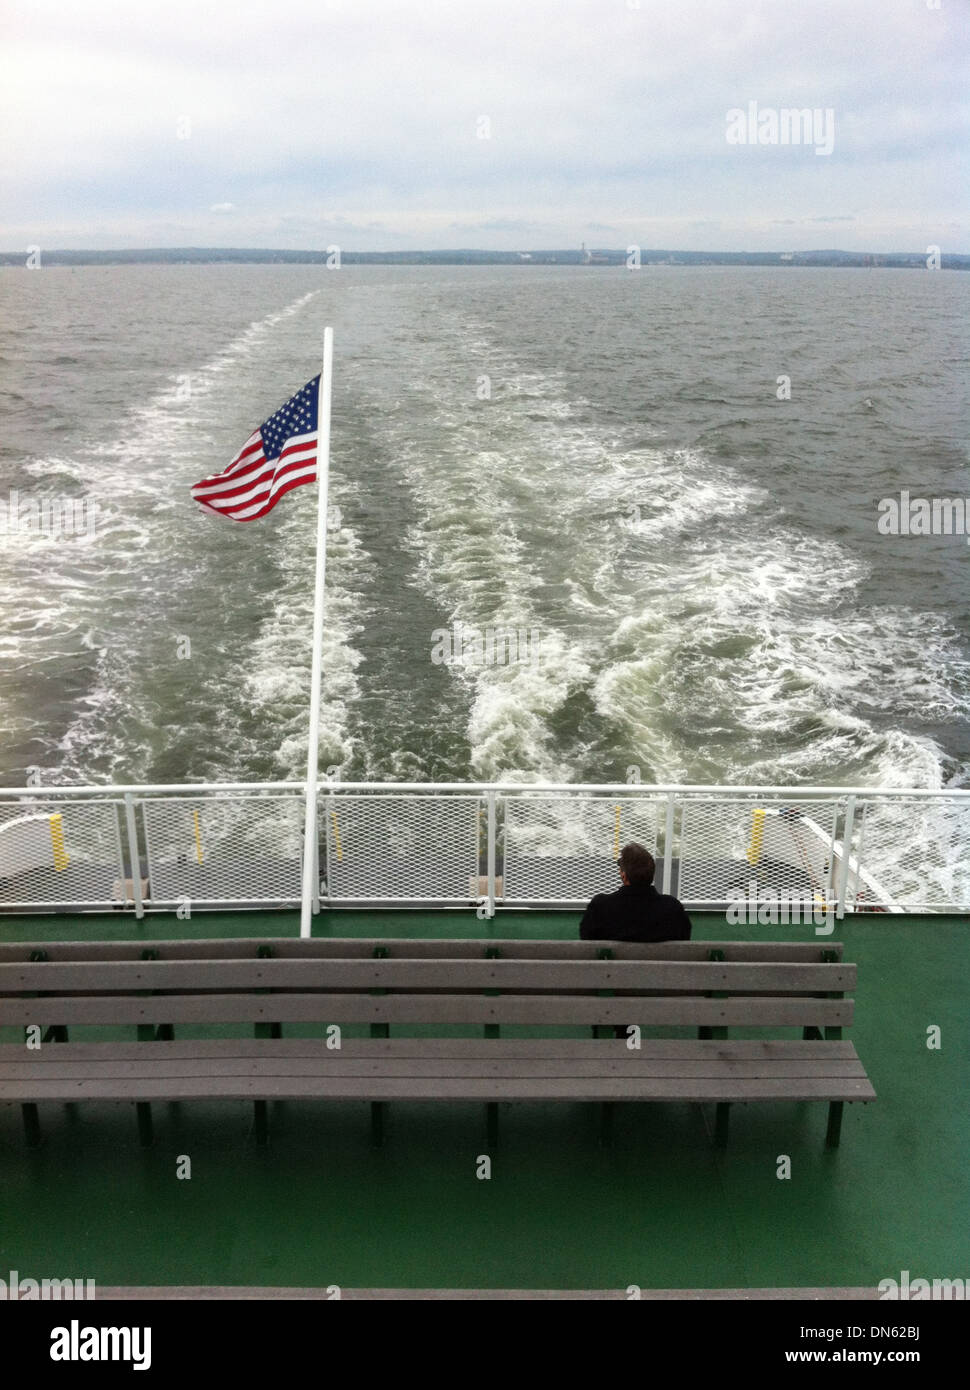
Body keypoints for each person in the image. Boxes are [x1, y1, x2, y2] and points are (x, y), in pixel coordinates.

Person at [579, 842, 692, 941]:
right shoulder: (673, 909)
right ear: (652, 874)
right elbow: (684, 938)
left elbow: (587, 940)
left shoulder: (600, 907)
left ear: (624, 875)